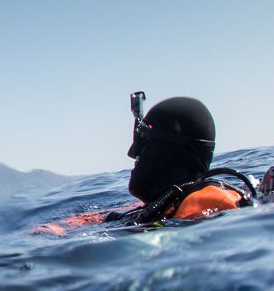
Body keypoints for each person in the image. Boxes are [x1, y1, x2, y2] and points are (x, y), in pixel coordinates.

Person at [36, 94, 255, 235]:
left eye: (143, 140)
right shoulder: (169, 203)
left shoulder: (209, 201)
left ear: (168, 150)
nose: (133, 153)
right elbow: (116, 216)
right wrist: (61, 227)